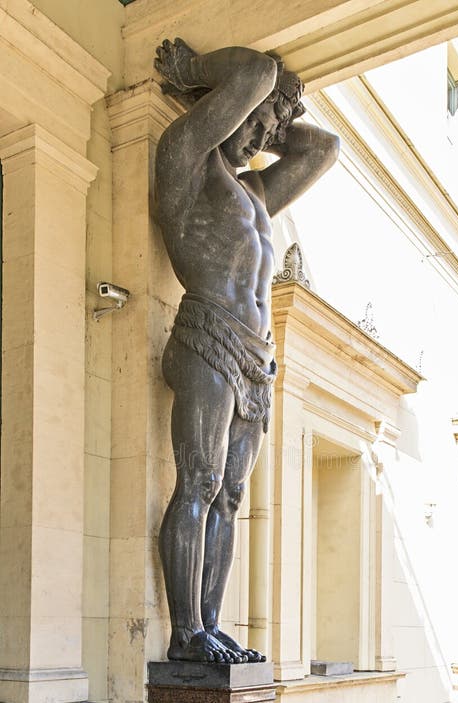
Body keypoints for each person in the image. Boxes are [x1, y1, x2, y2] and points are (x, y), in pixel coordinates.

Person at [154, 38, 339, 663]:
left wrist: (274, 113)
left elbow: (322, 147)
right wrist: (197, 78)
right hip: (207, 333)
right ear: (221, 107)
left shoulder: (257, 194)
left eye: (267, 126)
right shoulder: (184, 157)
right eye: (251, 118)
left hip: (255, 357)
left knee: (231, 495)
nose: (259, 136)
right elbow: (258, 69)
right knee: (199, 482)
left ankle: (209, 621)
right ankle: (184, 634)